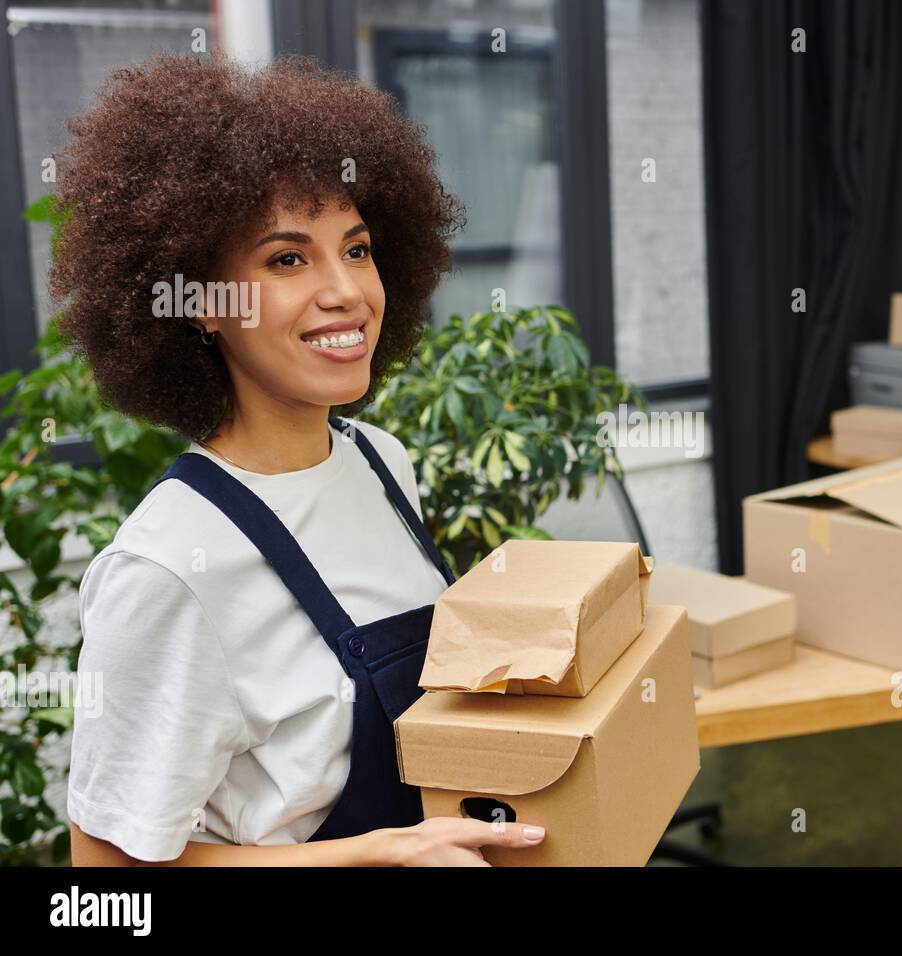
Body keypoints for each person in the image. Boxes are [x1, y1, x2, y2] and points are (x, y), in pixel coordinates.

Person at [55, 52, 544, 866]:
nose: (346, 291)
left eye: (355, 249)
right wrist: (369, 857)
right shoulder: (169, 568)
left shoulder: (380, 463)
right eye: (287, 259)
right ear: (202, 305)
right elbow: (108, 881)